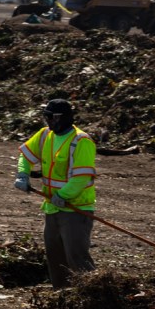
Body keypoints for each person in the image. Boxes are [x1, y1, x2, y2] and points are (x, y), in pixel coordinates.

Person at [16, 96, 96, 287]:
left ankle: (90, 293)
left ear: (64, 117)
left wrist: (63, 196)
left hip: (75, 210)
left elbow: (81, 177)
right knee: (55, 257)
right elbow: (25, 155)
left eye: (52, 117)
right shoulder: (45, 135)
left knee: (77, 257)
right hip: (52, 208)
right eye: (47, 117)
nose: (49, 121)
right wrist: (23, 174)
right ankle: (61, 295)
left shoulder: (81, 141)